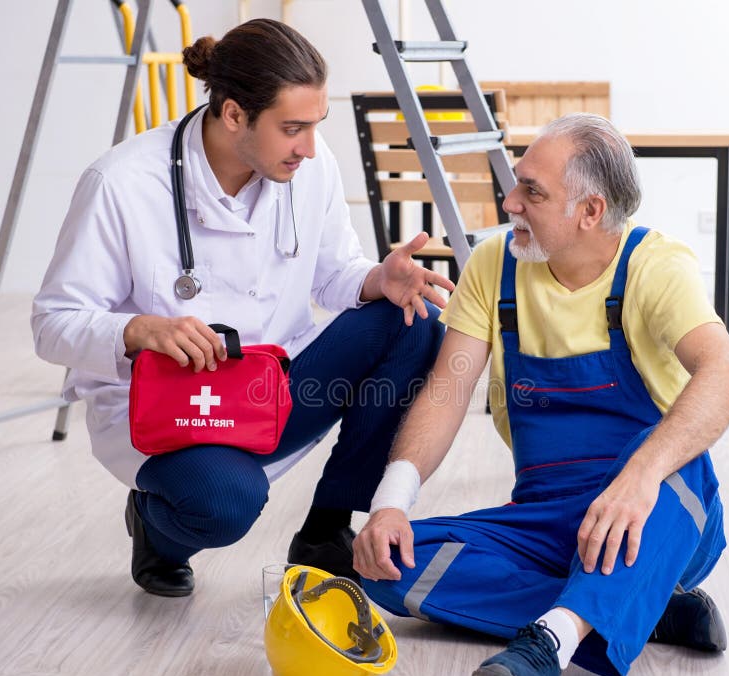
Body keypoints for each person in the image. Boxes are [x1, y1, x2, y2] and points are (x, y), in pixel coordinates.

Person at [31, 19, 451, 598]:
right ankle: (155, 528)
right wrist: (139, 329)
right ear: (233, 115)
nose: (307, 146)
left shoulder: (307, 164)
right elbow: (52, 324)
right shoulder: (122, 183)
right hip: (170, 412)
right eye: (292, 128)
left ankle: (327, 528)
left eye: (314, 126)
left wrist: (380, 278)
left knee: (415, 319)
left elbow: (334, 277)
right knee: (229, 503)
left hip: (271, 389)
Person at [352, 113, 729, 676]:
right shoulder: (493, 265)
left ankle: (552, 640)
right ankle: (637, 604)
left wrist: (637, 481)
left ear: (591, 211)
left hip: (655, 513)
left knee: (678, 460)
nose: (510, 201)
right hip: (545, 518)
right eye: (517, 183)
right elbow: (446, 392)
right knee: (386, 565)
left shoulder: (654, 267)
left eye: (532, 192)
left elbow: (727, 376)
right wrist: (390, 502)